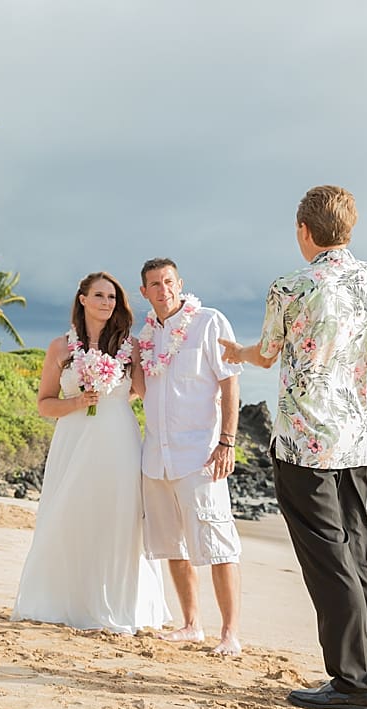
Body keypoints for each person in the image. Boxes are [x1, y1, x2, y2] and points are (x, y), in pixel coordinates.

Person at [219, 185, 367, 709]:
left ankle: (353, 684)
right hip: (355, 439)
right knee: (357, 554)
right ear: (350, 227)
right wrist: (354, 417)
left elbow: (267, 355)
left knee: (328, 560)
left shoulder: (290, 287)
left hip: (302, 442)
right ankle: (365, 674)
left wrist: (235, 352)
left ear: (304, 231)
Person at [12, 272, 168, 634]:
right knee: (69, 512)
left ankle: (116, 603)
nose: (106, 302)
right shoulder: (60, 348)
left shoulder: (129, 346)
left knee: (119, 517)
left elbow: (146, 393)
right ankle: (63, 601)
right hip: (74, 439)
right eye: (98, 295)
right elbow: (45, 405)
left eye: (112, 297)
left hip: (118, 440)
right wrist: (79, 402)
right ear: (82, 299)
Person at [133, 258, 244, 655]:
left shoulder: (209, 322)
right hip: (156, 458)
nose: (163, 290)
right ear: (144, 292)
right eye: (154, 285)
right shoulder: (145, 336)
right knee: (173, 545)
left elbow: (230, 383)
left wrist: (227, 441)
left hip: (200, 455)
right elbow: (142, 388)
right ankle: (191, 624)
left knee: (217, 543)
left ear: (180, 284)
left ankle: (230, 632)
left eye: (168, 282)